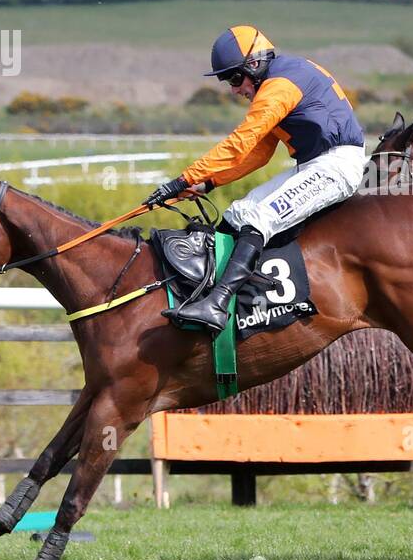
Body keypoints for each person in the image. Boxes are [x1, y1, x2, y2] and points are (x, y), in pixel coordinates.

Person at [144, 25, 366, 331]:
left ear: (255, 64)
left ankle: (217, 304)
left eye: (235, 78)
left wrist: (182, 180)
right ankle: (211, 294)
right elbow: (258, 153)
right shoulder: (279, 81)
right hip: (317, 165)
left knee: (259, 218)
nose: (235, 89)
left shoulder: (279, 87)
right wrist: (208, 183)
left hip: (336, 166)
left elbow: (239, 143)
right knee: (238, 214)